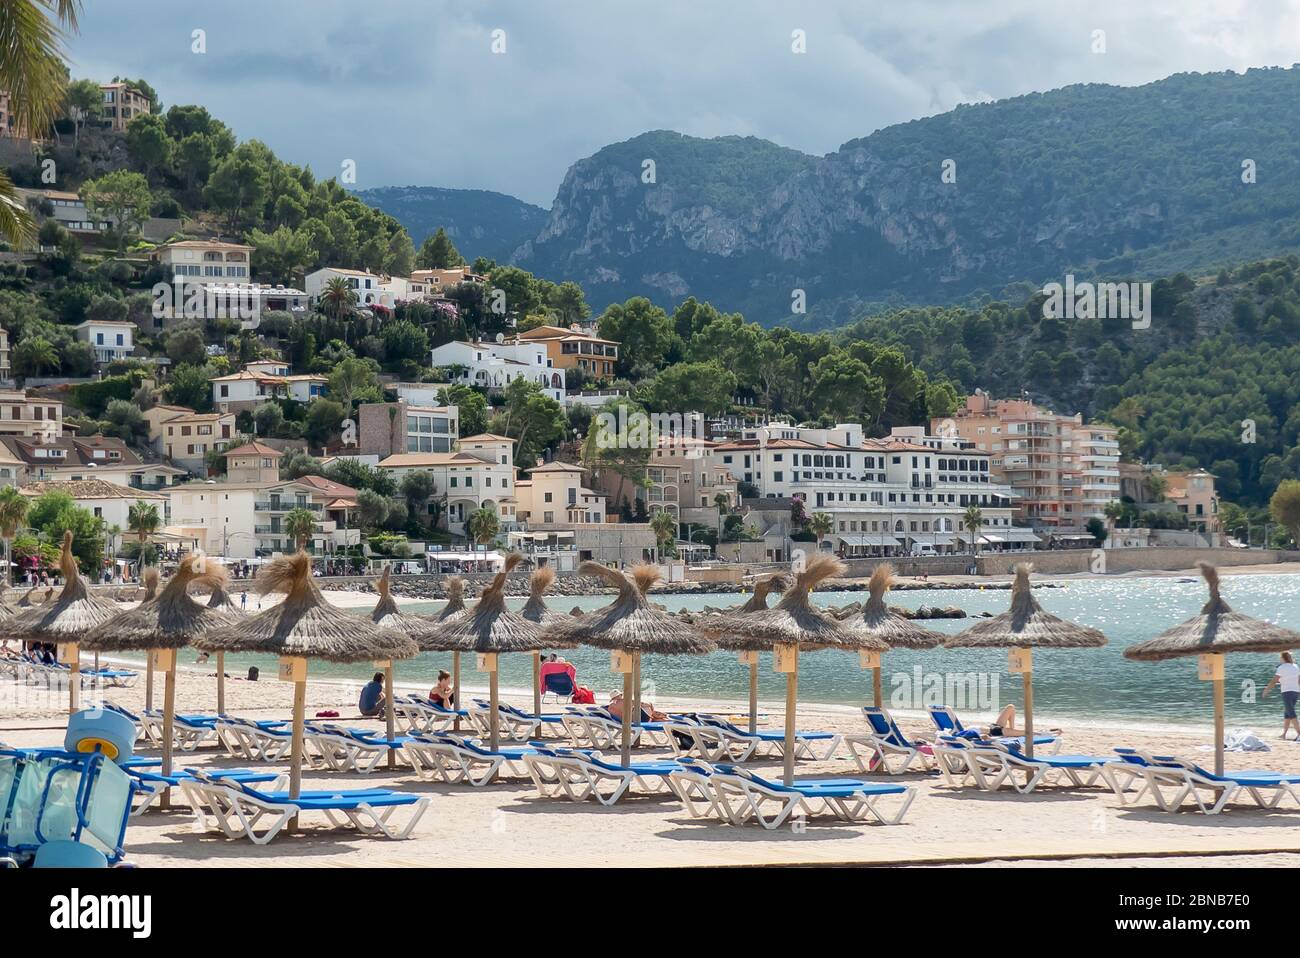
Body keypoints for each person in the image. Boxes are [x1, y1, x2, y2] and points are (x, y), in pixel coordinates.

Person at [1262, 652, 1300, 740]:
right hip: (1296, 691)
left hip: (1287, 692)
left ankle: (1299, 733)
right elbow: (1298, 680)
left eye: (1280, 658)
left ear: (1283, 658)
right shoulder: (1295, 666)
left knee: (1291, 713)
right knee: (1287, 713)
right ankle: (1284, 734)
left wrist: (1266, 690)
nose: (1280, 659)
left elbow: (1274, 680)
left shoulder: (1281, 668)